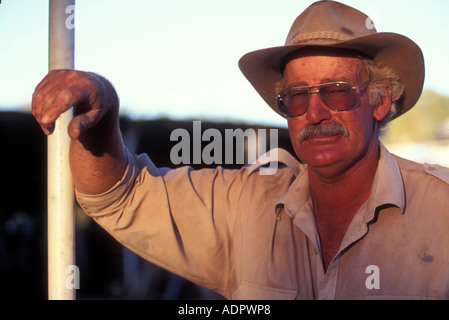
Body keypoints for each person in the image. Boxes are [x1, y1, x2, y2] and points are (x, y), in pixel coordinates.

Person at [32, 1, 449, 299]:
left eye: (337, 92)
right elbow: (119, 196)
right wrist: (102, 113)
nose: (316, 112)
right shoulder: (246, 204)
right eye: (298, 97)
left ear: (378, 101)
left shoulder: (441, 211)